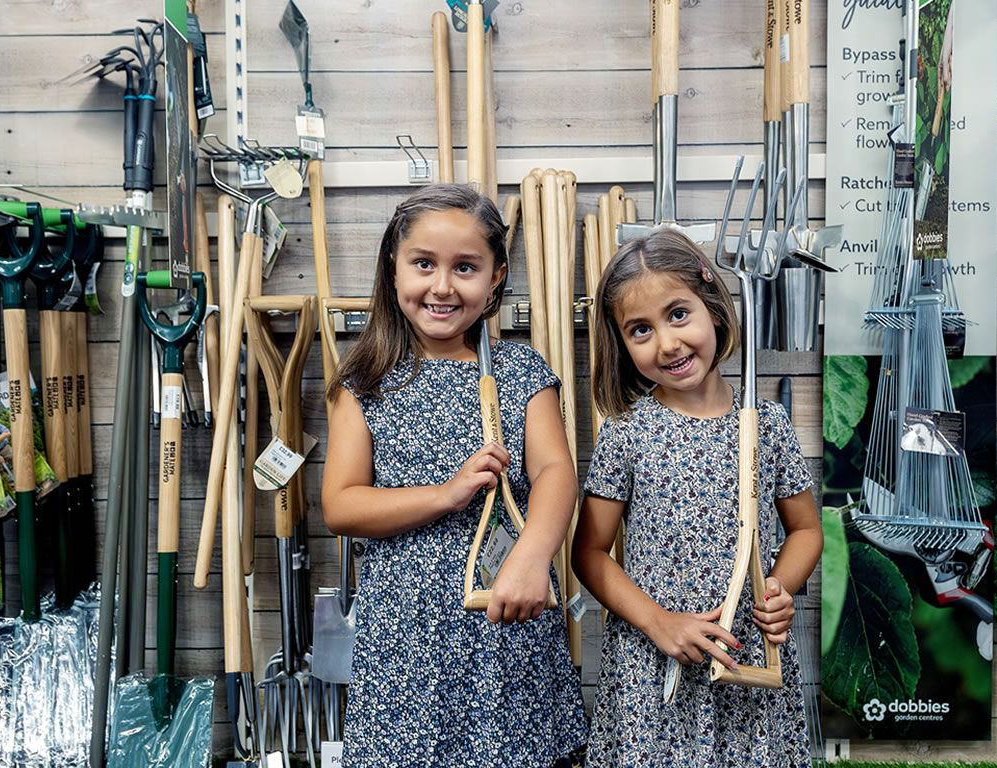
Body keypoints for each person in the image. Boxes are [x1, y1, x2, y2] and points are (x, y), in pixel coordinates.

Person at [322, 183, 587, 767]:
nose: (442, 286)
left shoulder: (520, 371)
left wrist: (530, 558)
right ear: (394, 268)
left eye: (465, 267)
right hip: (406, 646)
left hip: (505, 630)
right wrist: (447, 494)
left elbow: (556, 473)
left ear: (495, 279)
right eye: (424, 264)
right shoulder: (364, 382)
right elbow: (342, 506)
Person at [572, 229, 822, 767]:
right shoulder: (627, 432)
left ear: (711, 306)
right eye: (641, 330)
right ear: (622, 343)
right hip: (652, 666)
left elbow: (805, 530)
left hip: (748, 659)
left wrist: (779, 588)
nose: (667, 343)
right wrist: (659, 622)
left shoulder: (767, 426)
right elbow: (588, 554)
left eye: (678, 314)